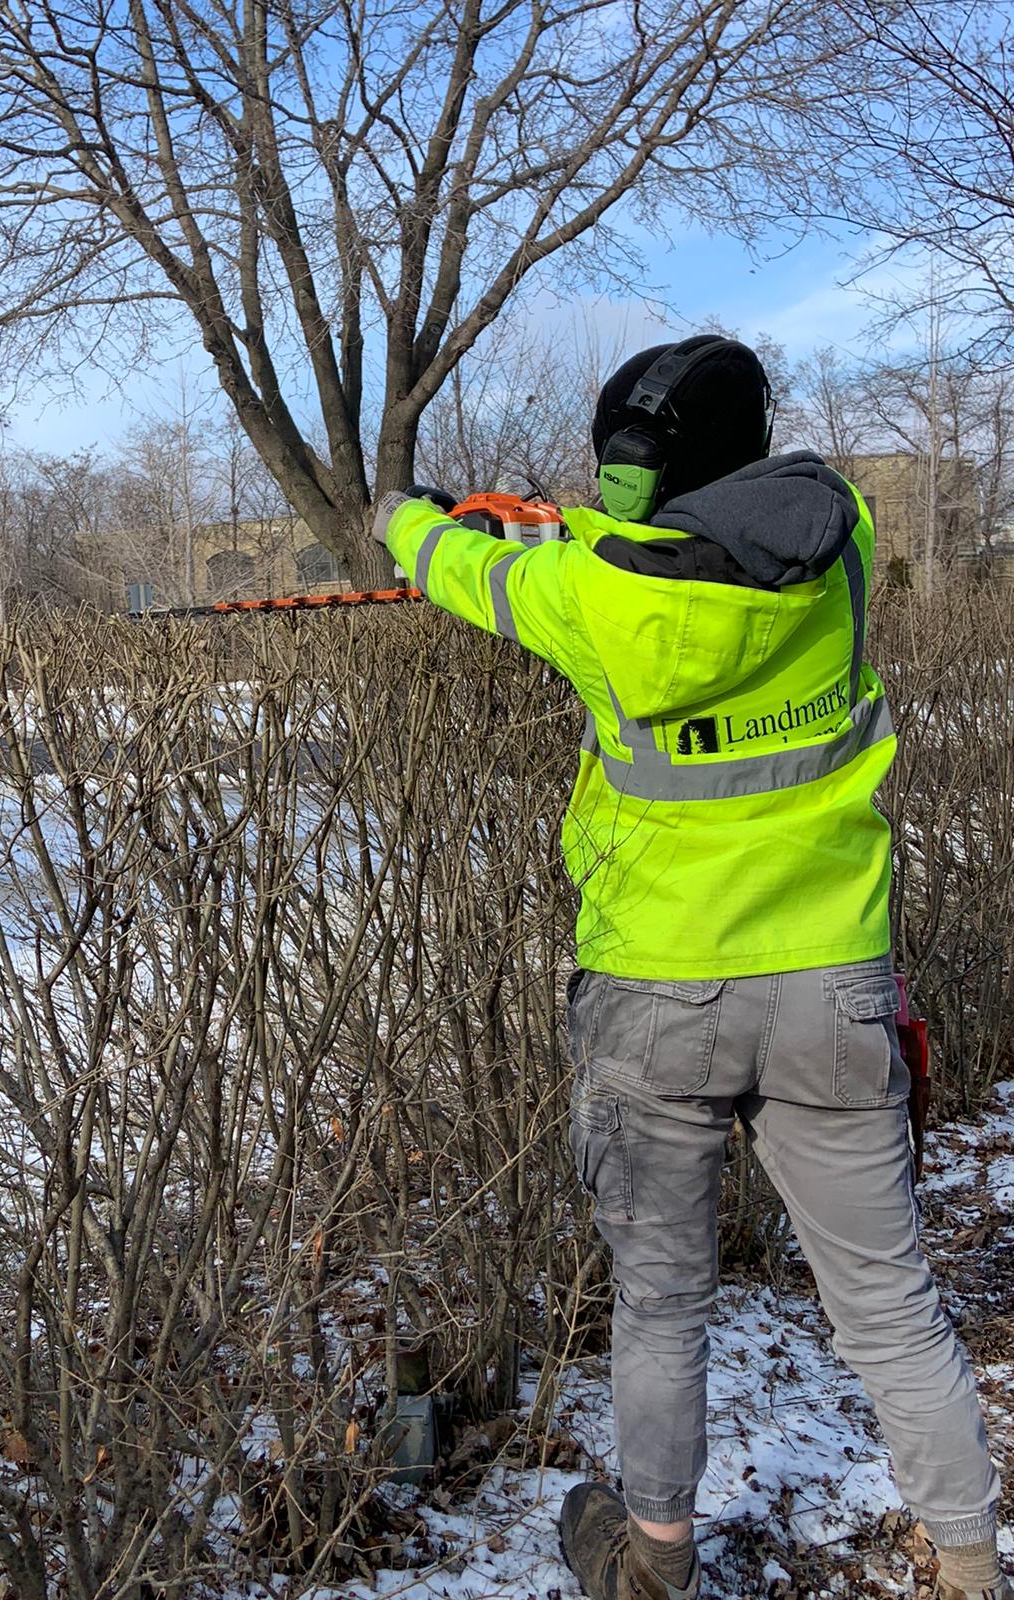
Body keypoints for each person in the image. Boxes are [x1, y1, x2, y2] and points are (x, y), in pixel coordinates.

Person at [371, 334, 1008, 1600]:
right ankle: (974, 1564)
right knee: (888, 1302)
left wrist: (406, 517)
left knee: (663, 1302)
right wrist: (573, 527)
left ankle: (654, 1557)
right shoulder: (844, 542)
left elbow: (468, 569)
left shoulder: (593, 601)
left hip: (656, 993)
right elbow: (708, 538)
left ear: (625, 476)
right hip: (832, 983)